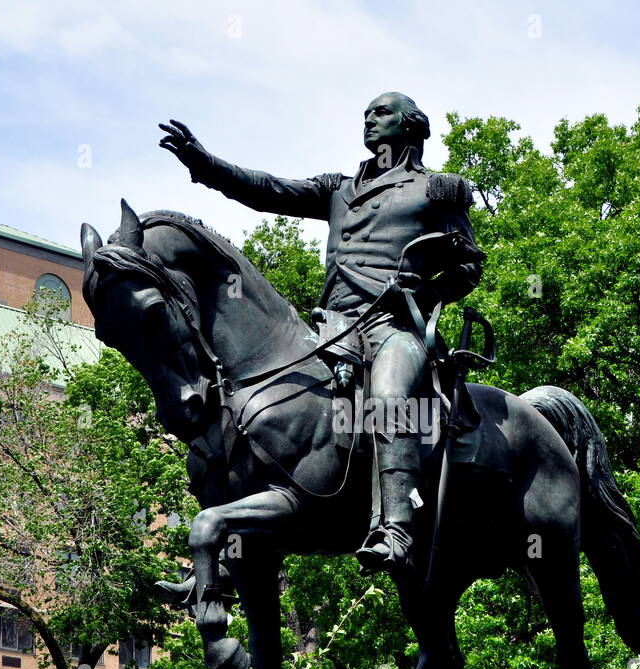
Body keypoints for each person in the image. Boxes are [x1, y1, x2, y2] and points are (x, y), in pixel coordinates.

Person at [159, 92, 483, 573]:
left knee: (391, 398)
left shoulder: (437, 191)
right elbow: (267, 190)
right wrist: (204, 163)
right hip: (332, 329)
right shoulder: (340, 188)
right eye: (365, 115)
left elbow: (469, 265)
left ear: (410, 126)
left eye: (381, 114)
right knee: (257, 397)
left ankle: (396, 526)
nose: (369, 121)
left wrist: (421, 295)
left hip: (393, 325)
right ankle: (233, 543)